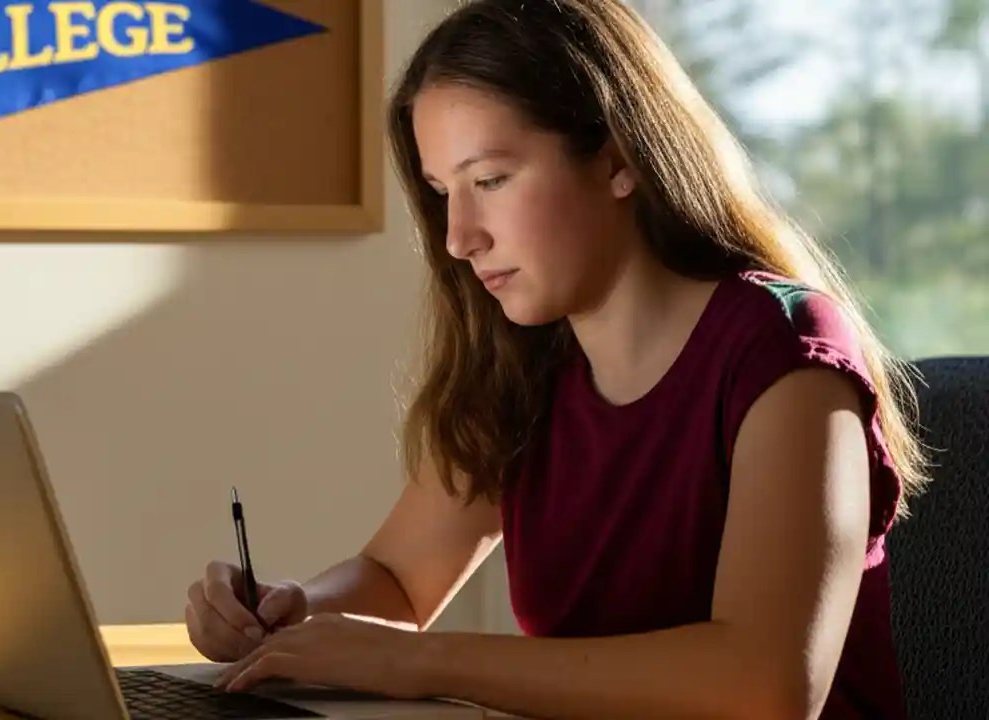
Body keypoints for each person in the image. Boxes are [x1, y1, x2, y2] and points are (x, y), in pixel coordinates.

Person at [185, 1, 929, 717]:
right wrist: (287, 616)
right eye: (445, 193)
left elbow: (764, 688)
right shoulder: (524, 368)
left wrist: (419, 662)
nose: (459, 237)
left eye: (491, 181)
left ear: (616, 159)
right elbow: (396, 580)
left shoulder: (784, 351)